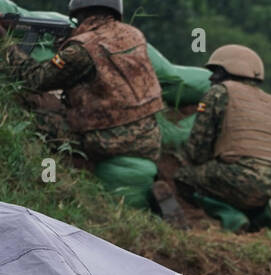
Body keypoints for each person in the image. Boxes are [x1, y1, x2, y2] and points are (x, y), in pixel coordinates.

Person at [0, 0, 161, 163]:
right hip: (149, 138)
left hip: (109, 141)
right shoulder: (133, 34)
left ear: (80, 12)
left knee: (31, 118)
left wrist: (7, 44)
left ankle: (55, 171)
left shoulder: (81, 49)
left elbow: (37, 78)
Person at [177, 44, 271, 227]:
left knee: (184, 177)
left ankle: (231, 216)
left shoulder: (218, 92)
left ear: (230, 72)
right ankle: (267, 214)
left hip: (243, 178)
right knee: (243, 190)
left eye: (217, 72)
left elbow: (198, 152)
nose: (212, 77)